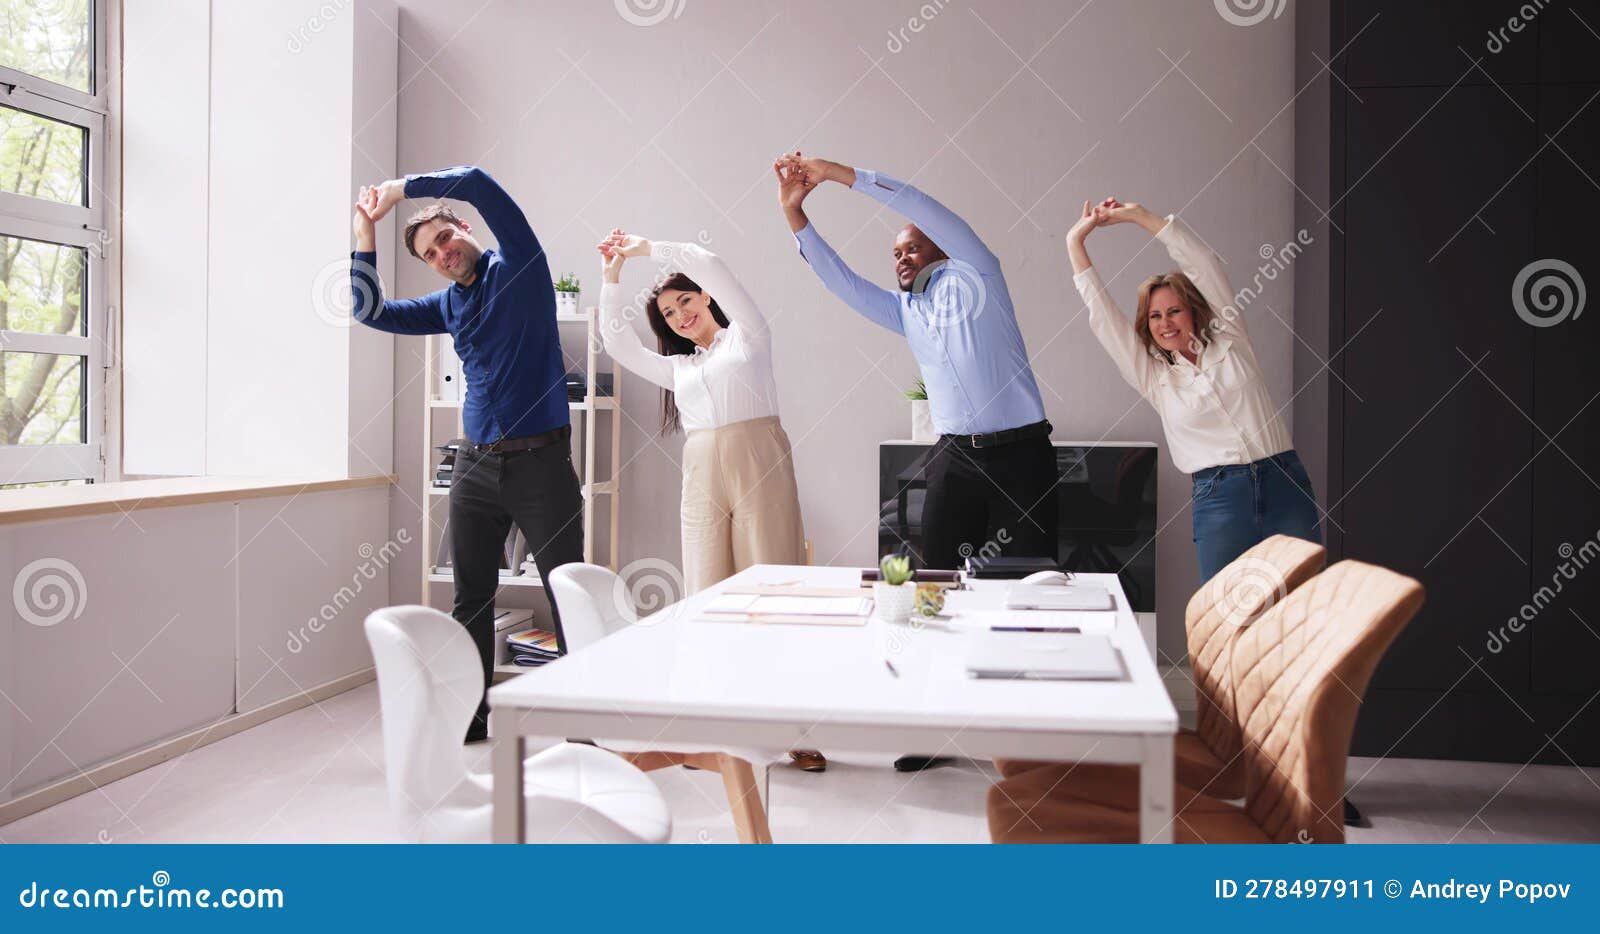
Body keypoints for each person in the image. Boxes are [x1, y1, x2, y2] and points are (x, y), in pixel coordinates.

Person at [777, 153, 1058, 774]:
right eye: (895, 254)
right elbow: (842, 281)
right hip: (956, 458)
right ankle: (934, 725)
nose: (900, 258)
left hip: (1022, 458)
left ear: (943, 253)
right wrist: (798, 218)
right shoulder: (906, 312)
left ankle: (1028, 737)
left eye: (911, 249)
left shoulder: (980, 274)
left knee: (1024, 593)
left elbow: (924, 208)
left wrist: (843, 176)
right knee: (929, 593)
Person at [350, 165, 583, 744]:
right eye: (431, 254)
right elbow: (367, 310)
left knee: (569, 591)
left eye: (445, 238)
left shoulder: (521, 267)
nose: (444, 254)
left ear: (463, 225)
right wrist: (364, 236)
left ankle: (584, 721)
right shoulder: (446, 305)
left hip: (541, 465)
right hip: (474, 468)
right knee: (470, 596)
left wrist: (399, 193)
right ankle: (474, 715)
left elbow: (478, 179)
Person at [595, 229, 823, 773]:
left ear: (705, 298)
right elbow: (617, 345)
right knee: (706, 596)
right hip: (700, 472)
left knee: (773, 590)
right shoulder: (678, 369)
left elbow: (708, 259)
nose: (679, 317)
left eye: (685, 303)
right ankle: (716, 729)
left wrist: (647, 249)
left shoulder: (749, 338)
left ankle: (794, 731)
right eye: (669, 314)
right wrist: (610, 278)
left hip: (758, 460)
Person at [1065, 198, 1321, 583]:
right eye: (1154, 315)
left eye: (1174, 311)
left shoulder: (1231, 339)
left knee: (1304, 602)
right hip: (1219, 499)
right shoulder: (1155, 377)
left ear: (1193, 311)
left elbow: (1203, 264)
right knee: (1225, 616)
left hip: (1283, 481)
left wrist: (1139, 217)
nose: (1165, 323)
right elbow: (1104, 319)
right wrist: (1075, 243)